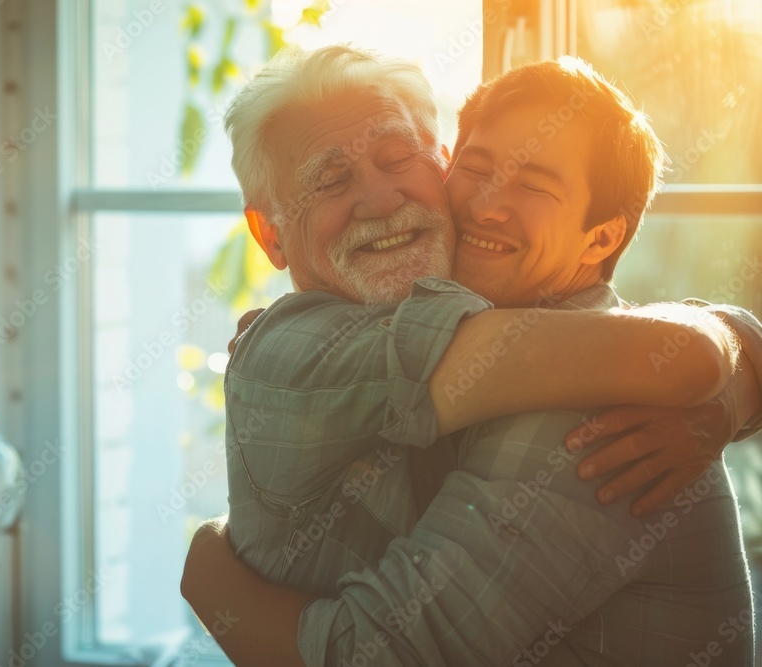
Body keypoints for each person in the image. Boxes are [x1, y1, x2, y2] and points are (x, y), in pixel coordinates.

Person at [183, 46, 762, 665]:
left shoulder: (582, 404)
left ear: (437, 163)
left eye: (399, 158)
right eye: (329, 180)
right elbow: (685, 356)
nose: (382, 201)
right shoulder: (305, 348)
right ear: (268, 234)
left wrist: (209, 569)